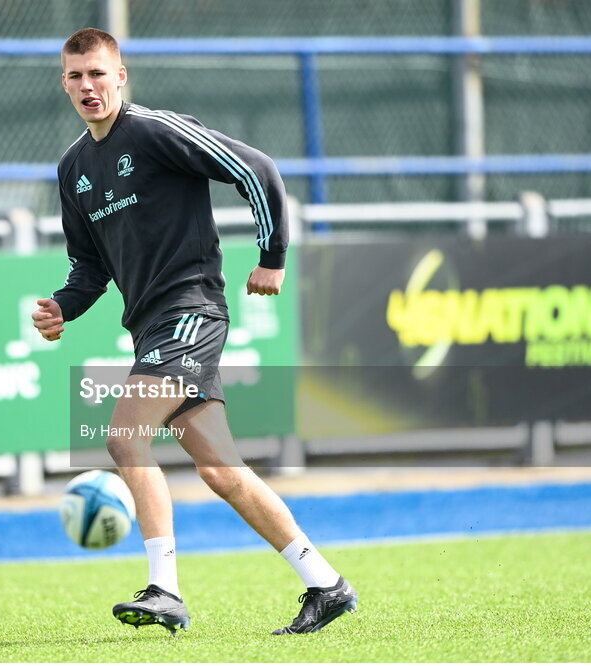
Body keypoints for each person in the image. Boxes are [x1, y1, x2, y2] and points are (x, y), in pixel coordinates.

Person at [32, 27, 357, 636]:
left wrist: (273, 256)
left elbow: (256, 169)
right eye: (75, 77)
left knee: (124, 436)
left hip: (191, 309)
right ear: (64, 84)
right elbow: (90, 267)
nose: (88, 86)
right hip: (151, 323)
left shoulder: (153, 131)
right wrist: (62, 308)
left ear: (121, 75)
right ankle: (325, 583)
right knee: (221, 472)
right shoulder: (74, 169)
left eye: (98, 74)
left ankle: (166, 590)